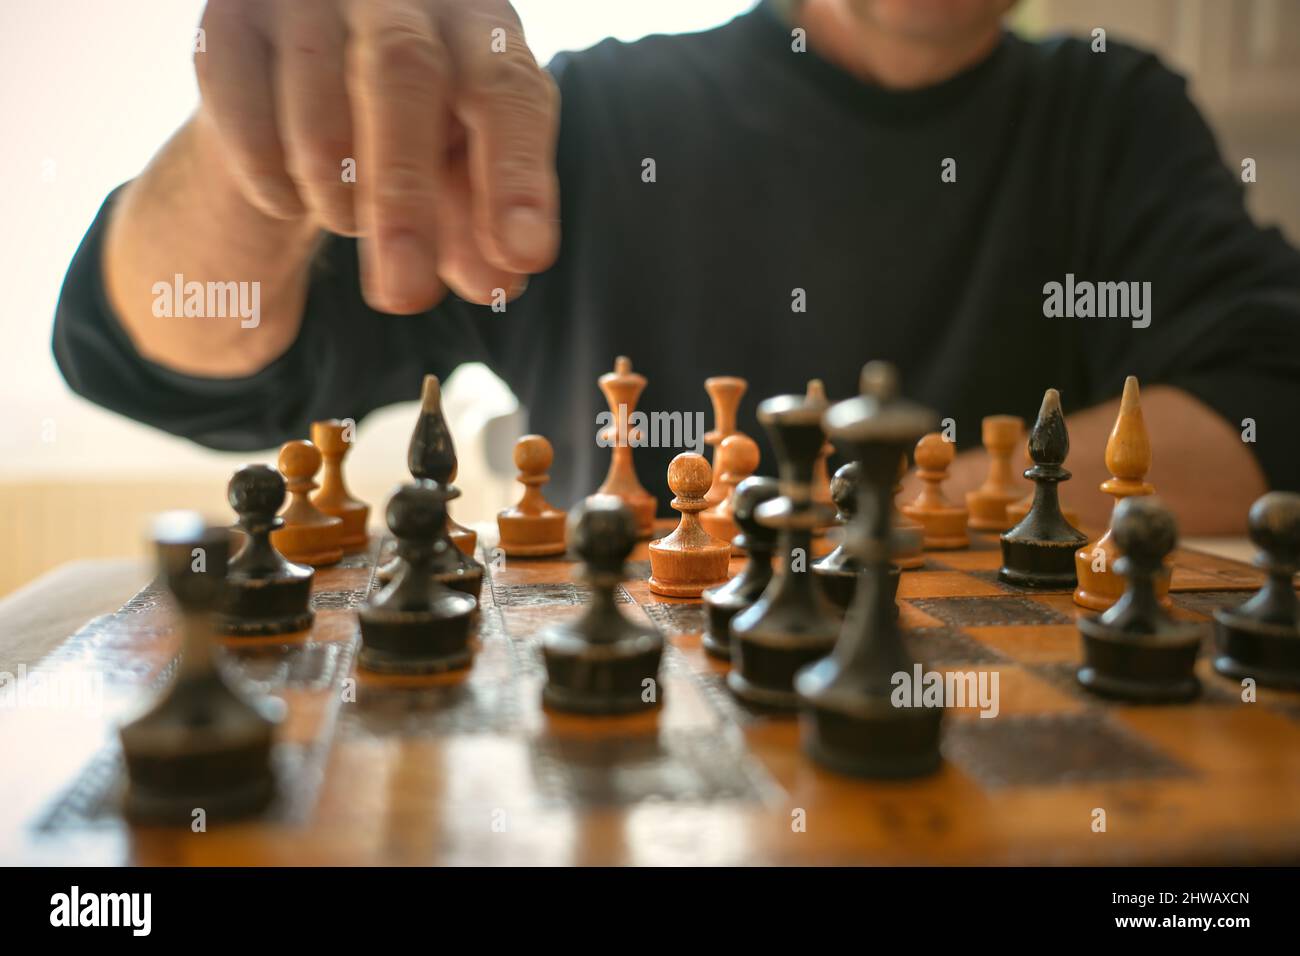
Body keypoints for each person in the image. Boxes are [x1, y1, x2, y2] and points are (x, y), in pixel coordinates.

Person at [53, 0, 1300, 532]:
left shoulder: (1116, 118)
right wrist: (254, 156)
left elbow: (1273, 405)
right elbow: (175, 364)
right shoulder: (585, 121)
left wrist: (846, 526)